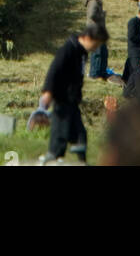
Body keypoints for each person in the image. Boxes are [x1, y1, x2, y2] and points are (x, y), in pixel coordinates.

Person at [39, 22, 109, 164]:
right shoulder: (68, 49)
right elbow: (54, 70)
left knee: (78, 130)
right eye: (95, 45)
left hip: (73, 98)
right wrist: (47, 92)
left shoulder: (82, 53)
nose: (95, 49)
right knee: (60, 126)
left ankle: (80, 154)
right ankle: (54, 154)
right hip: (61, 96)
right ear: (88, 37)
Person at [85, 0, 109, 80]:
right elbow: (91, 15)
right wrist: (102, 15)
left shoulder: (97, 2)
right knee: (97, 53)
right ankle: (94, 74)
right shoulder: (94, 2)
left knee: (103, 52)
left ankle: (102, 73)